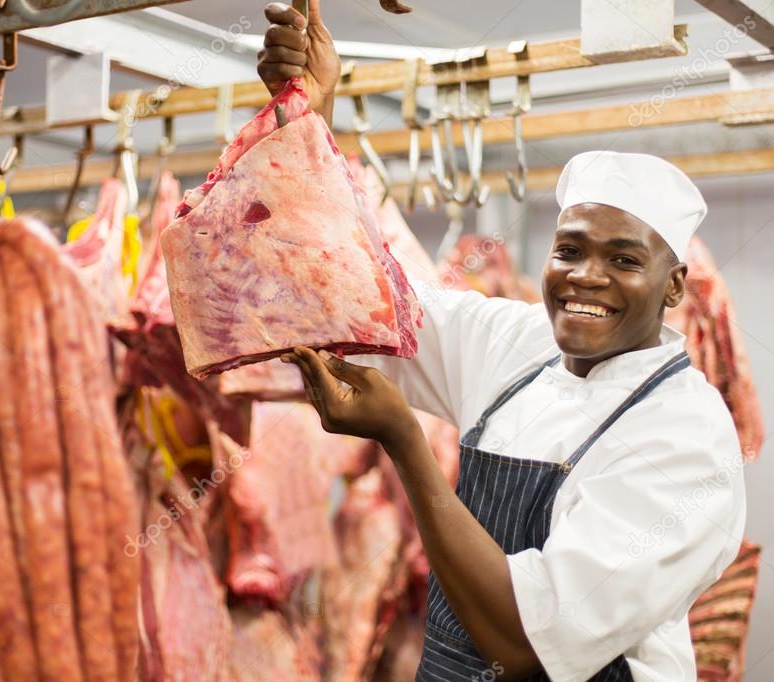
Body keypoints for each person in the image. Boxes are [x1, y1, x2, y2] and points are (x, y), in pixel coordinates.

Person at [260, 3, 747, 680]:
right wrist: (309, 113)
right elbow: (356, 300)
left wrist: (404, 442)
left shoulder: (686, 441)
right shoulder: (515, 343)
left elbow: (524, 644)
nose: (586, 277)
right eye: (568, 250)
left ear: (673, 289)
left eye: (624, 260)